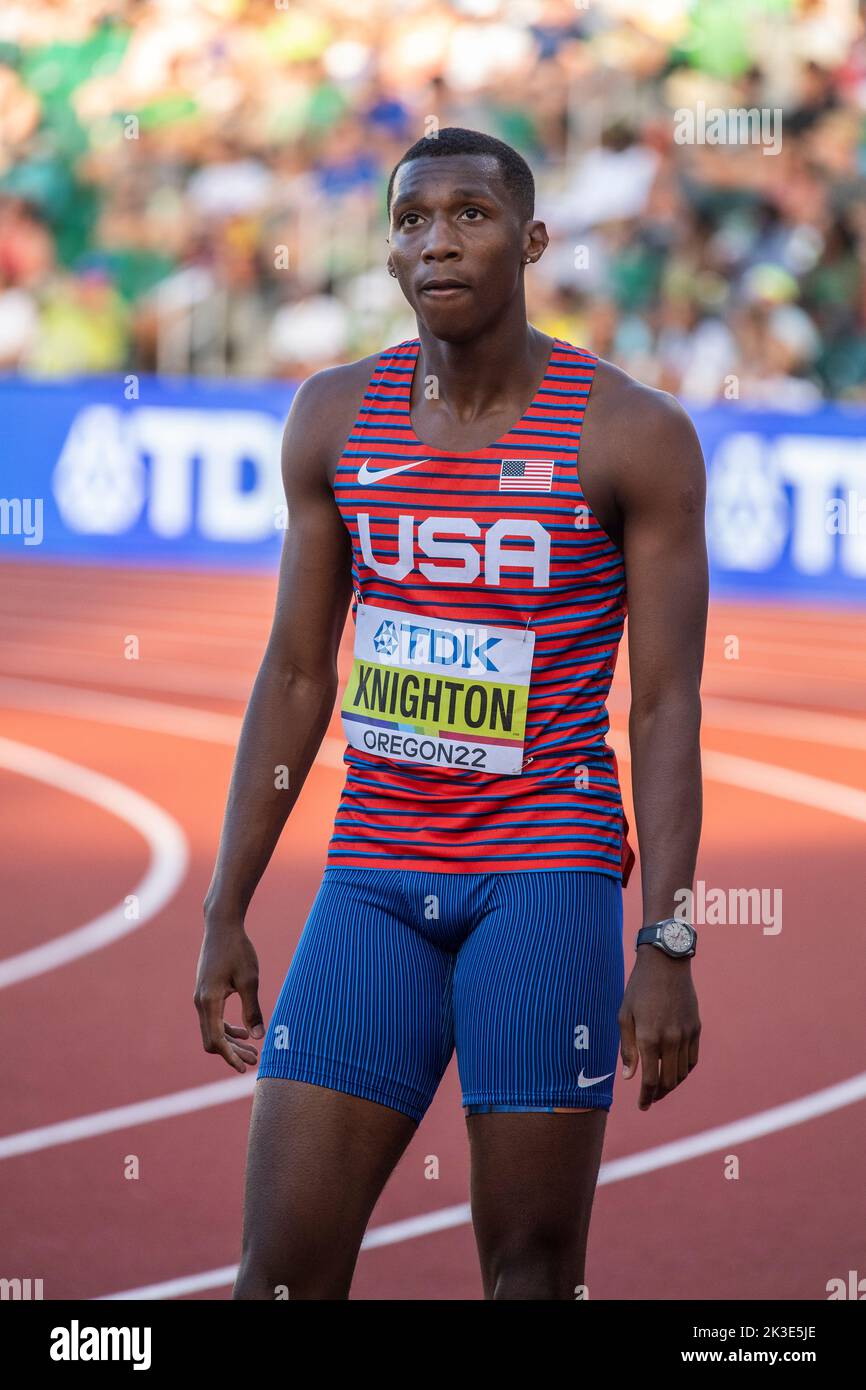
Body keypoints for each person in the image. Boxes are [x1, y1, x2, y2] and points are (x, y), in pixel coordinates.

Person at [195, 127, 707, 1301]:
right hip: (371, 874)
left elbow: (666, 706)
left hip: (547, 876)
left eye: (470, 214)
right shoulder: (333, 419)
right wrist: (226, 903)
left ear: (530, 241)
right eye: (412, 218)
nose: (437, 240)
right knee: (277, 1272)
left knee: (527, 1271)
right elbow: (293, 677)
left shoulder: (628, 434)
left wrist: (666, 938)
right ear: (386, 252)